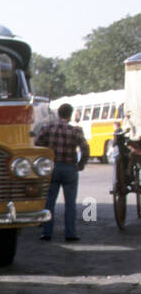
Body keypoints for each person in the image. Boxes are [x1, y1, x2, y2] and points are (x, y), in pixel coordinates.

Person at [36, 102, 89, 241]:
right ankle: (70, 234)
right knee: (70, 204)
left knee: (49, 202)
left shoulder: (48, 128)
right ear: (70, 115)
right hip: (70, 168)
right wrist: (81, 163)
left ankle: (47, 233)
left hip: (52, 167)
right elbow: (85, 148)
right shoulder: (75, 131)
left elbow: (37, 143)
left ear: (58, 114)